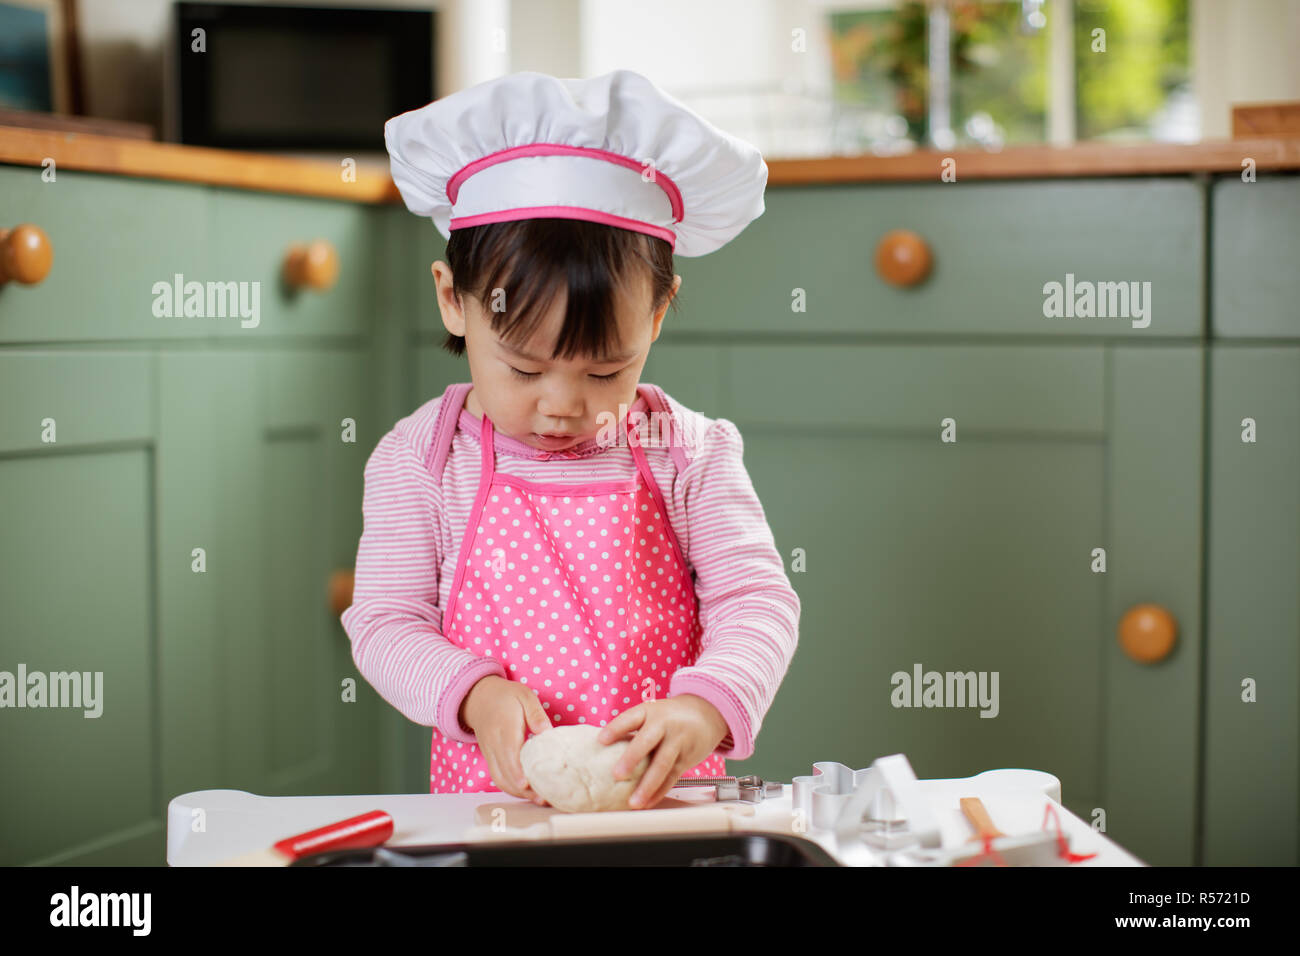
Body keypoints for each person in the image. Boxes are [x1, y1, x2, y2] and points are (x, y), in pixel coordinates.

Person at [342, 69, 800, 810]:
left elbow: (757, 602)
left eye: (605, 369)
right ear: (452, 301)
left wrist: (706, 706)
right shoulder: (420, 459)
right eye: (524, 367)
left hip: (664, 813)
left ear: (658, 316)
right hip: (493, 813)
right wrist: (474, 694)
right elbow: (385, 624)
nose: (562, 406)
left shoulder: (689, 453)